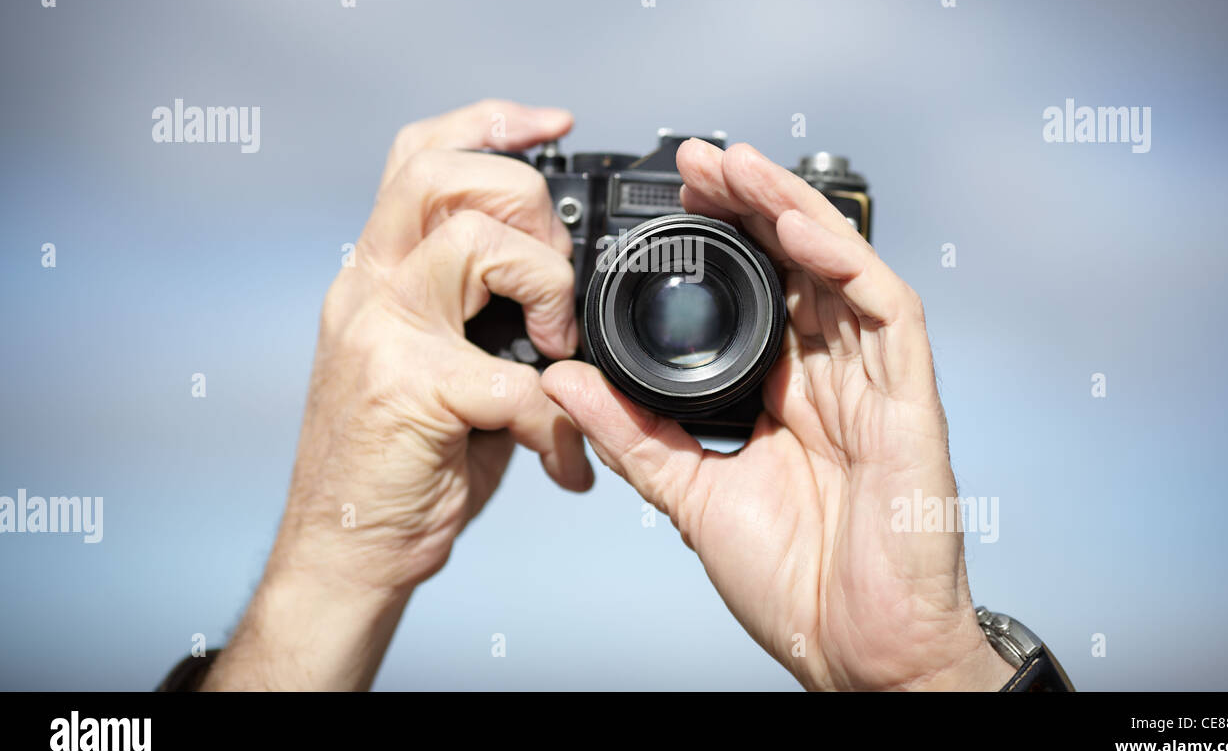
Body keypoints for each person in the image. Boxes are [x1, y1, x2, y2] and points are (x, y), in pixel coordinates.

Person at [165, 100, 1057, 692]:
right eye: (615, 241)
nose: (678, 302)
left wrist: (925, 674)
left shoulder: (815, 412)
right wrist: (338, 564)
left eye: (719, 262)